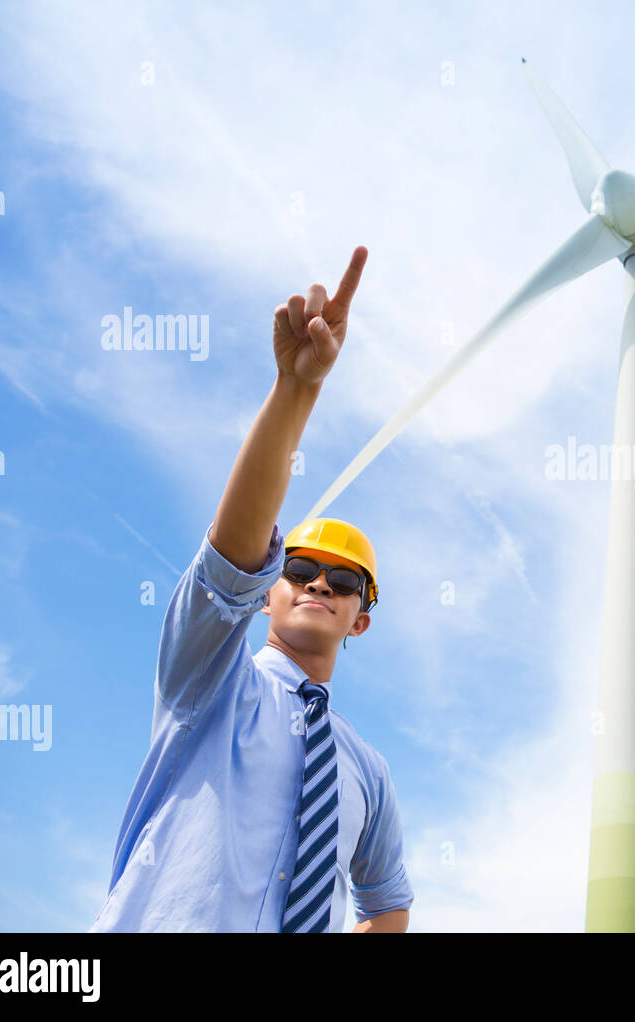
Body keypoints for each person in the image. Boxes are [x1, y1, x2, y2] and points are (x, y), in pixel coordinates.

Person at [90, 246, 414, 932]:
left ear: (360, 618)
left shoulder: (367, 771)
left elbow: (387, 903)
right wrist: (297, 391)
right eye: (297, 572)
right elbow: (233, 555)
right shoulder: (208, 682)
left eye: (343, 580)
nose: (318, 583)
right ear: (270, 592)